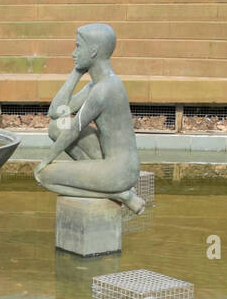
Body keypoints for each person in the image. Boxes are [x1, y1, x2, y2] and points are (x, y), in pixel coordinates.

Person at [34, 23, 145, 212]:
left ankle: (118, 193)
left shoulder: (104, 90)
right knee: (55, 127)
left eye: (78, 46)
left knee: (43, 176)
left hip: (120, 171)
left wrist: (45, 160)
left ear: (93, 51)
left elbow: (73, 129)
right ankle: (103, 184)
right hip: (110, 161)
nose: (73, 53)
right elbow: (56, 112)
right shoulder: (97, 84)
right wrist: (76, 72)